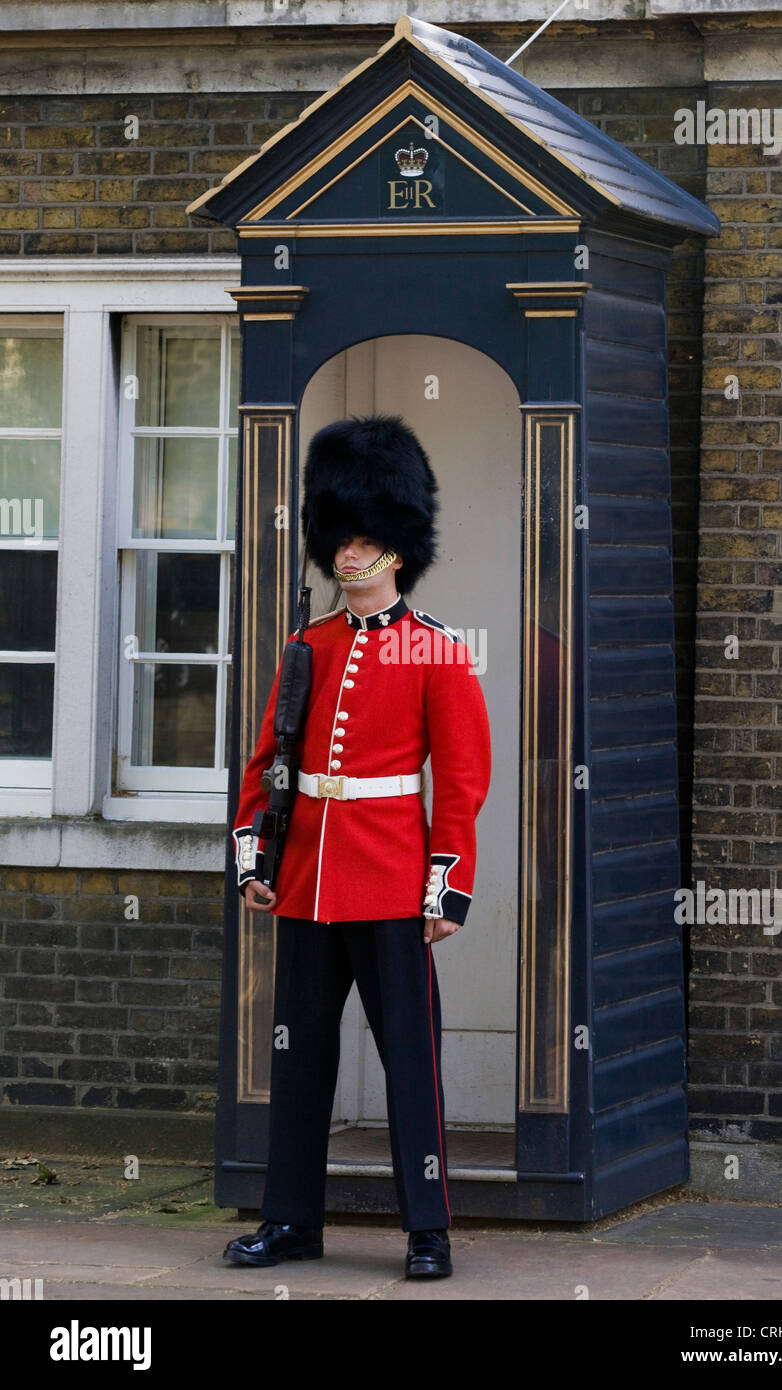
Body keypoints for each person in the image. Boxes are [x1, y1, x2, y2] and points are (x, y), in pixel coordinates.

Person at [222, 414, 491, 1279]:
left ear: (397, 548)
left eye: (364, 537)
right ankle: (292, 1221)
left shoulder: (438, 653)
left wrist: (445, 885)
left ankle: (427, 1229)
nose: (347, 553)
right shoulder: (308, 647)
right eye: (338, 536)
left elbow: (460, 783)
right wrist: (253, 859)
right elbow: (270, 761)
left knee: (410, 1058)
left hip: (389, 878)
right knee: (298, 1060)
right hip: (306, 877)